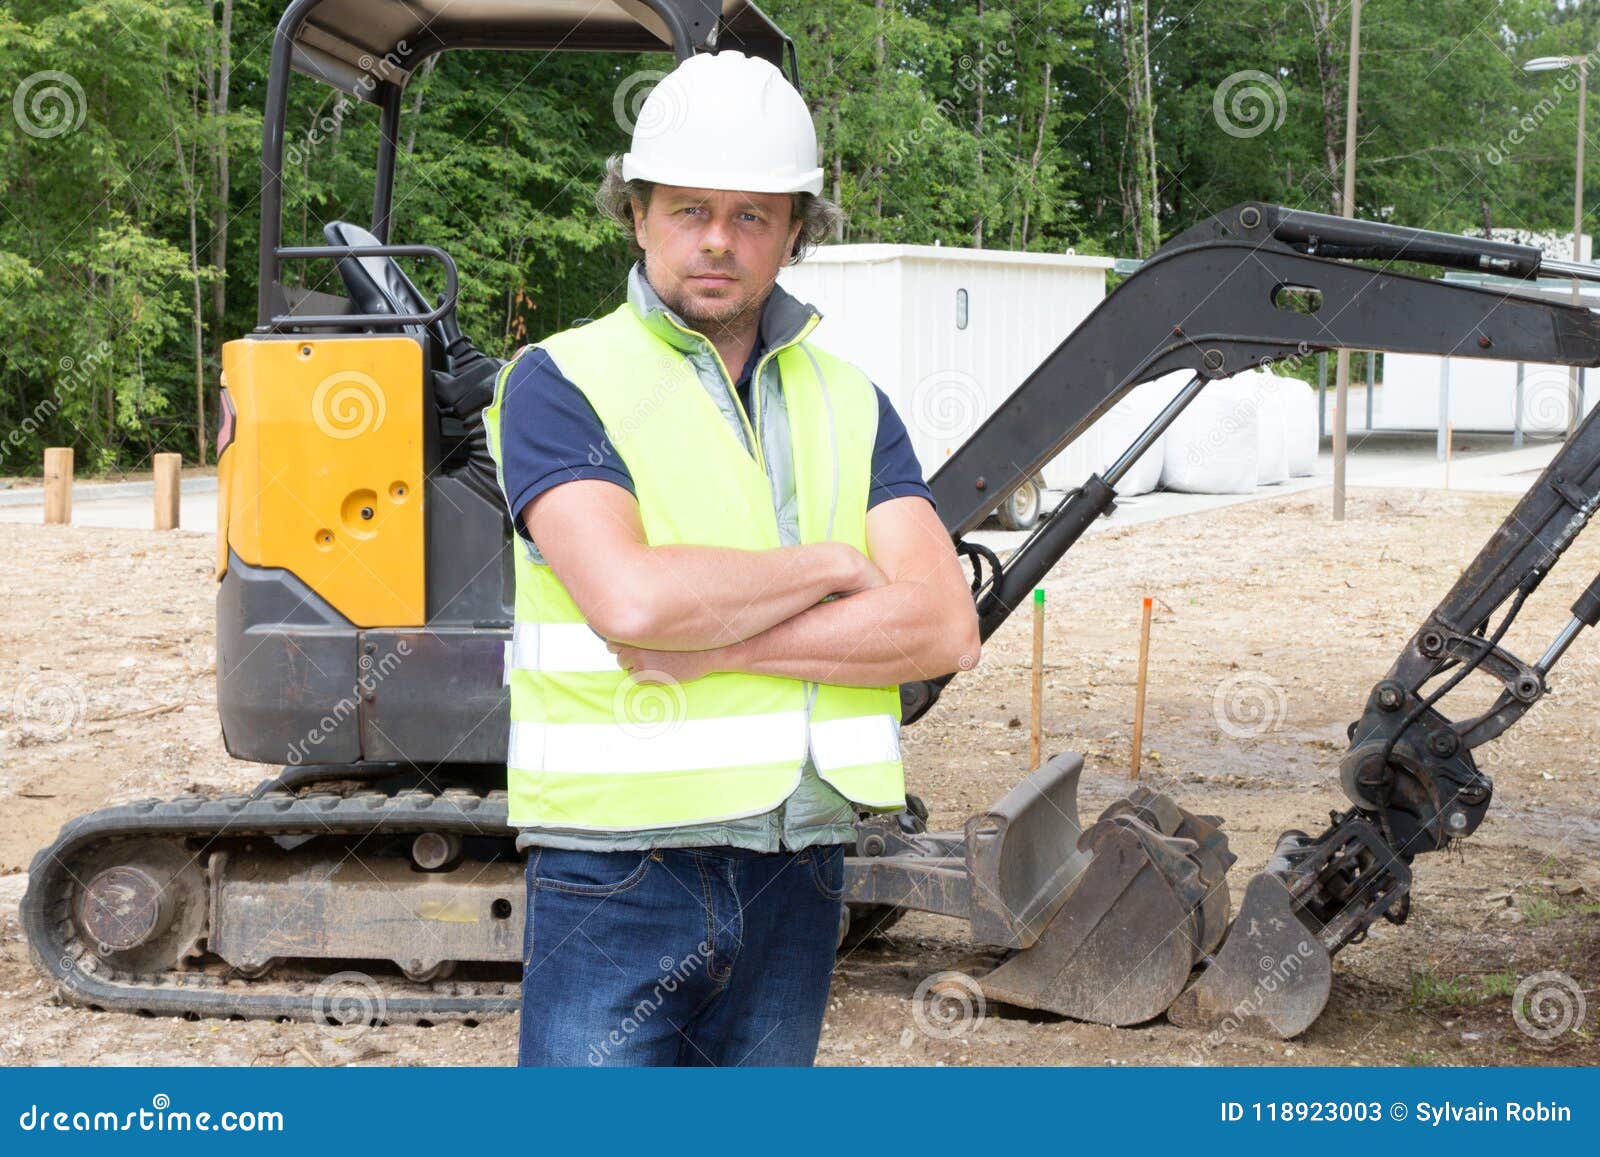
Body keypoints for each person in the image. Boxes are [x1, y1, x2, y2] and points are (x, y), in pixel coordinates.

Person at [482, 49, 979, 1068]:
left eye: (751, 215)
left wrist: (712, 650)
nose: (716, 239)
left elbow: (941, 626)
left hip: (799, 863)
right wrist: (835, 560)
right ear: (637, 214)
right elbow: (630, 597)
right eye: (688, 210)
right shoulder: (560, 380)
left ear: (796, 231)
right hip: (620, 866)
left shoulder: (850, 399)